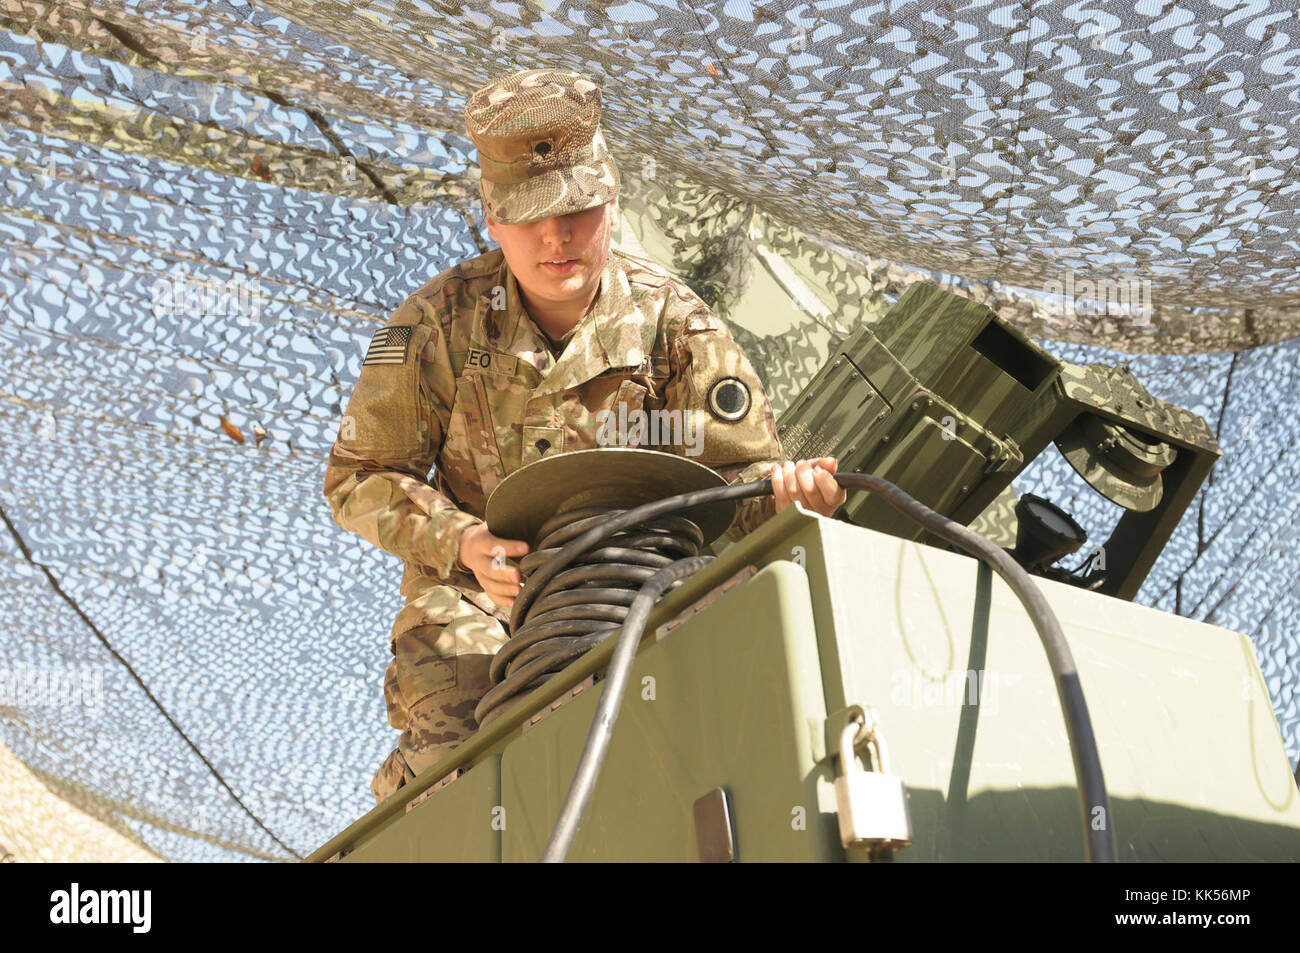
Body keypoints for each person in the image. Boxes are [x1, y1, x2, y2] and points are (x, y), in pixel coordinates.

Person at [323, 68, 847, 803]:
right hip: (479, 601)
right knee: (463, 765)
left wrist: (795, 498)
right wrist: (461, 542)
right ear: (490, 218)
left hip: (631, 590)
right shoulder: (433, 327)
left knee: (690, 750)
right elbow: (358, 475)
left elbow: (745, 482)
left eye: (577, 208)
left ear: (612, 198)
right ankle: (410, 792)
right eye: (529, 215)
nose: (556, 237)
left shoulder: (678, 325)